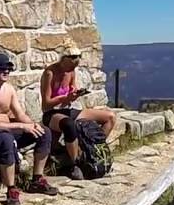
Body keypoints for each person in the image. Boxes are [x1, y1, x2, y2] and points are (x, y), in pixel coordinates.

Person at [0, 53, 59, 205]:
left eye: (8, 68)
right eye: (1, 68)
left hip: (6, 130)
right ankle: (11, 189)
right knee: (6, 139)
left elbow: (20, 114)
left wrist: (32, 124)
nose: (6, 71)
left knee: (44, 132)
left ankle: (37, 180)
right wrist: (21, 126)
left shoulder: (9, 90)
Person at [40, 43, 119, 171]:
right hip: (51, 113)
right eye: (70, 66)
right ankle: (75, 163)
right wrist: (64, 98)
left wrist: (75, 94)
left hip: (68, 109)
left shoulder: (71, 72)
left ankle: (93, 150)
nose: (71, 69)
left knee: (110, 117)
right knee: (69, 124)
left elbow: (72, 89)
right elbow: (46, 103)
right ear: (63, 60)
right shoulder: (50, 73)